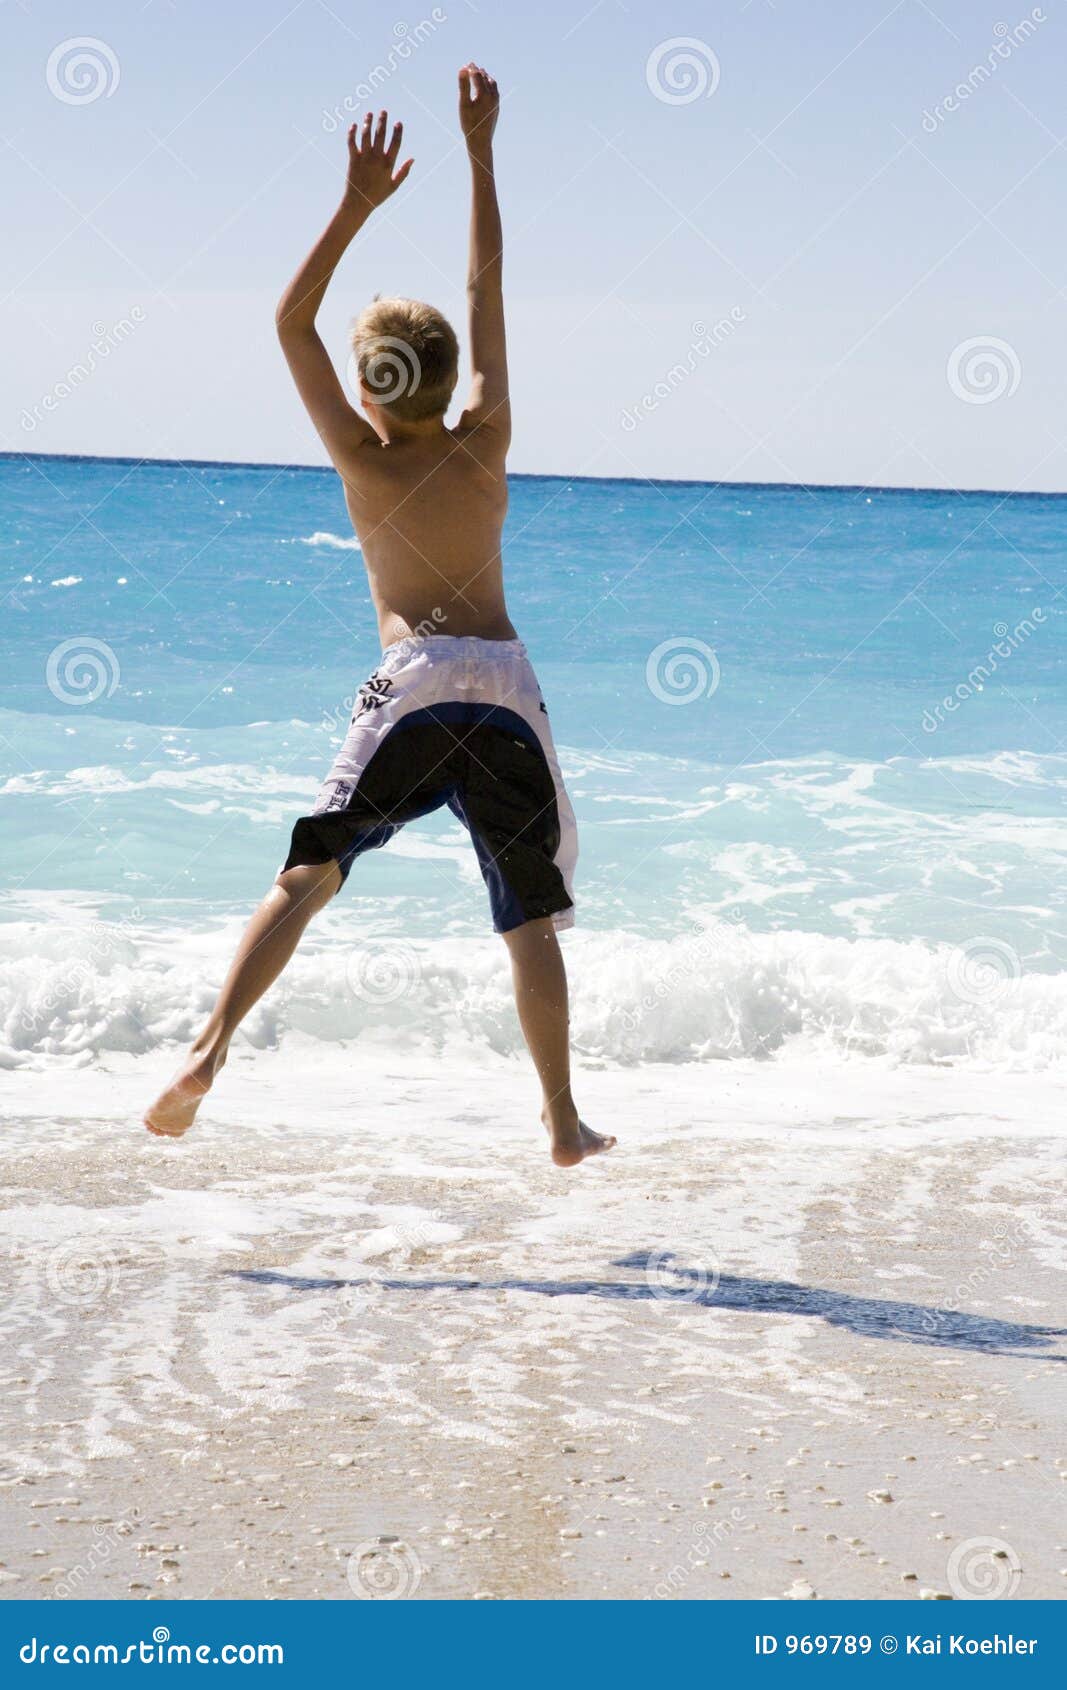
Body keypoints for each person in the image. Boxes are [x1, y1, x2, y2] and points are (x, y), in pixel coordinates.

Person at [145, 65, 615, 1168]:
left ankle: (209, 1050)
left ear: (366, 392)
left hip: (408, 685)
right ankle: (559, 1118)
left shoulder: (361, 456)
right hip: (503, 690)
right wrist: (480, 152)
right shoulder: (486, 438)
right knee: (528, 918)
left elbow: (289, 321)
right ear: (451, 382)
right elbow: (486, 285)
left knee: (310, 872)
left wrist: (355, 203)